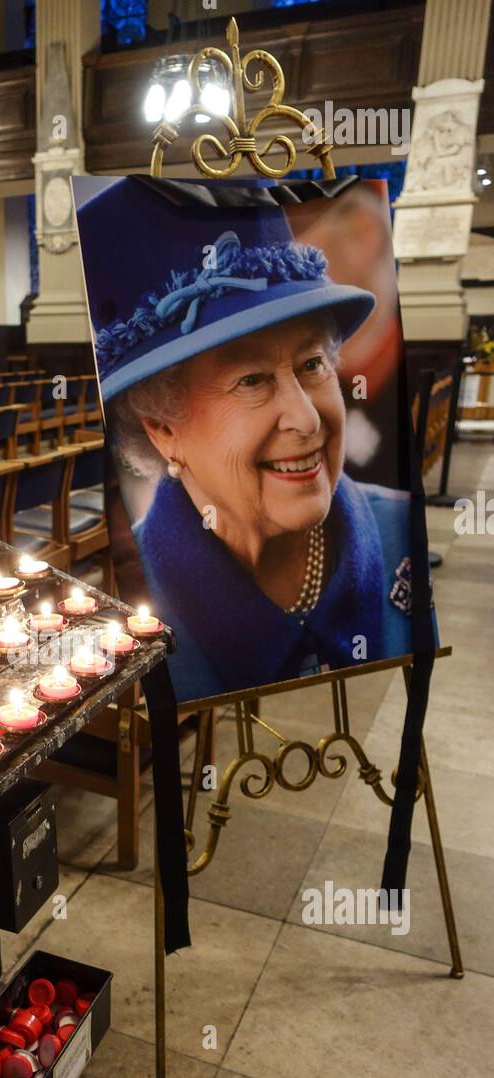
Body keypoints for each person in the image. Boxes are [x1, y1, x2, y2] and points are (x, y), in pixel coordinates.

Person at [74, 176, 422, 702]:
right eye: (253, 380)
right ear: (164, 429)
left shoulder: (402, 530)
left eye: (312, 364)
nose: (306, 420)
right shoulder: (134, 614)